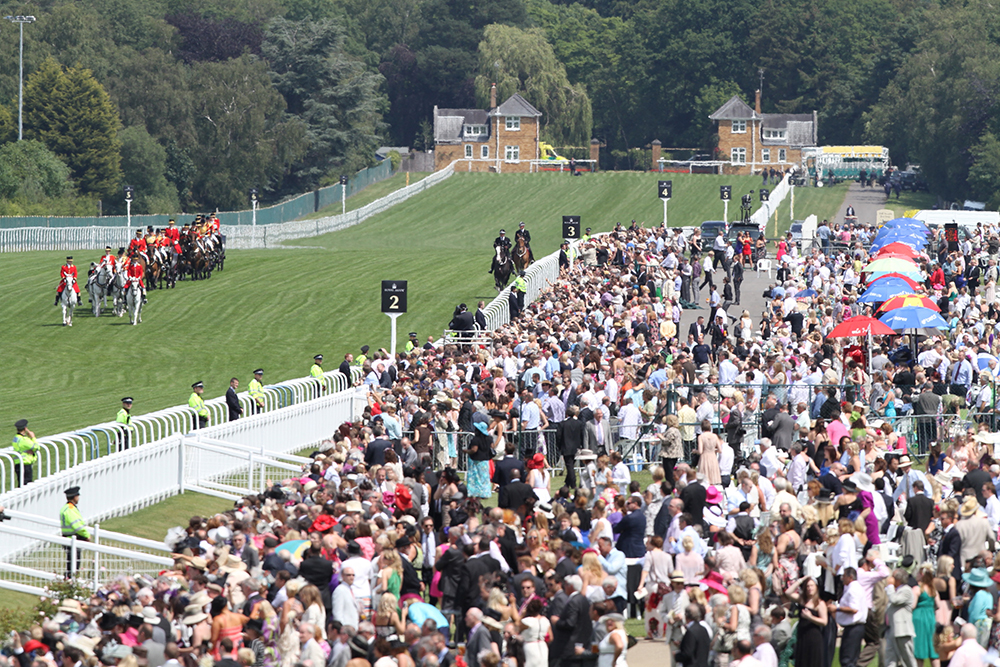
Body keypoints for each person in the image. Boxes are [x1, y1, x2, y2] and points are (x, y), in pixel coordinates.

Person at [835, 567, 867, 667]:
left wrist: (837, 609)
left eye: (844, 576)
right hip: (855, 627)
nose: (842, 578)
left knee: (847, 659)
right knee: (851, 658)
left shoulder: (853, 589)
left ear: (850, 577)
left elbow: (854, 609)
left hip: (854, 627)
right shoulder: (854, 588)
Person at [885, 568, 916, 667]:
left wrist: (889, 586)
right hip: (892, 630)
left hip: (903, 630)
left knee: (907, 658)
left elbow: (894, 600)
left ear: (898, 579)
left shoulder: (906, 590)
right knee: (890, 658)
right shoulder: (896, 591)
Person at [60, 486, 90, 577]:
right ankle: (70, 581)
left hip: (68, 538)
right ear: (75, 497)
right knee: (73, 565)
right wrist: (86, 535)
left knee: (71, 564)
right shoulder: (70, 509)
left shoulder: (65, 508)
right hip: (72, 539)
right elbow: (77, 526)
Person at [517, 598, 550, 667]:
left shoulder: (526, 621)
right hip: (543, 646)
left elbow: (515, 628)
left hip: (530, 646)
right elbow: (551, 637)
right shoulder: (545, 620)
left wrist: (522, 615)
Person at [12, 418, 38, 485]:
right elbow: (36, 447)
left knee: (21, 484)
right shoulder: (24, 440)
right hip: (25, 464)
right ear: (25, 428)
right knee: (27, 485)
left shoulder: (16, 438)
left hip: (18, 463)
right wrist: (33, 437)